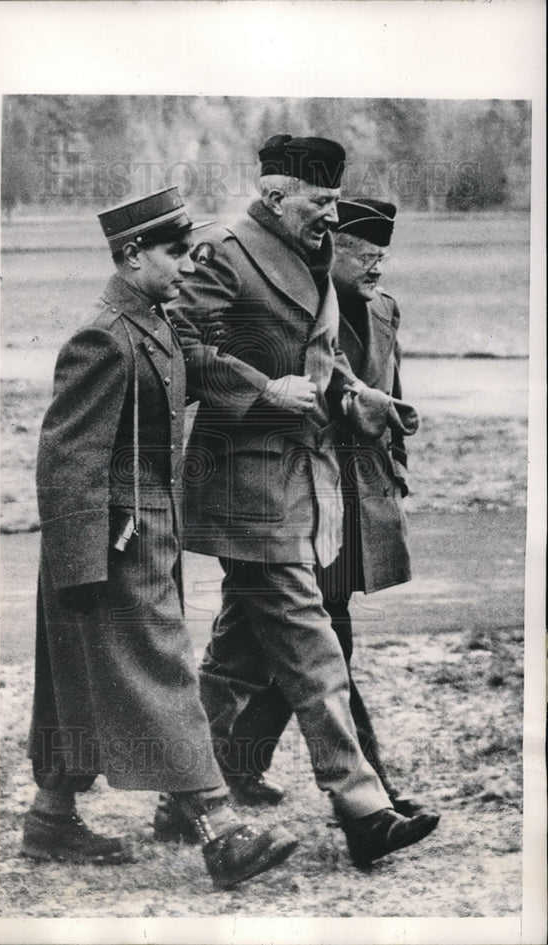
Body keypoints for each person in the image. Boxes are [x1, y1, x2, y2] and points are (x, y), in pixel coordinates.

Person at [161, 135, 439, 867]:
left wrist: (357, 394)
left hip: (300, 480)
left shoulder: (307, 250)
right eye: (319, 203)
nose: (331, 216)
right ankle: (363, 807)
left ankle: (183, 790)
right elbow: (176, 345)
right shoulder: (224, 251)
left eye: (334, 203)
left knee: (237, 655)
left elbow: (320, 353)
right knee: (314, 647)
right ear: (277, 196)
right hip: (246, 483)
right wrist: (258, 389)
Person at [21, 186, 298, 891]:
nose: (187, 265)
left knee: (73, 676)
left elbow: (195, 365)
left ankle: (52, 816)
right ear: (134, 252)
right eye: (176, 253)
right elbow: (65, 455)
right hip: (112, 541)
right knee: (165, 675)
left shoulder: (152, 320)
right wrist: (81, 568)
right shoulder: (102, 336)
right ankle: (217, 827)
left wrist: (264, 388)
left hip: (141, 531)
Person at [212, 198, 439, 821]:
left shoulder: (385, 309)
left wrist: (396, 473)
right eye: (365, 255)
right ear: (329, 253)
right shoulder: (294, 311)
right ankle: (374, 794)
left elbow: (391, 397)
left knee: (261, 645)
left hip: (358, 498)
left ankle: (225, 770)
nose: (377, 268)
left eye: (382, 256)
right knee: (324, 644)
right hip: (301, 498)